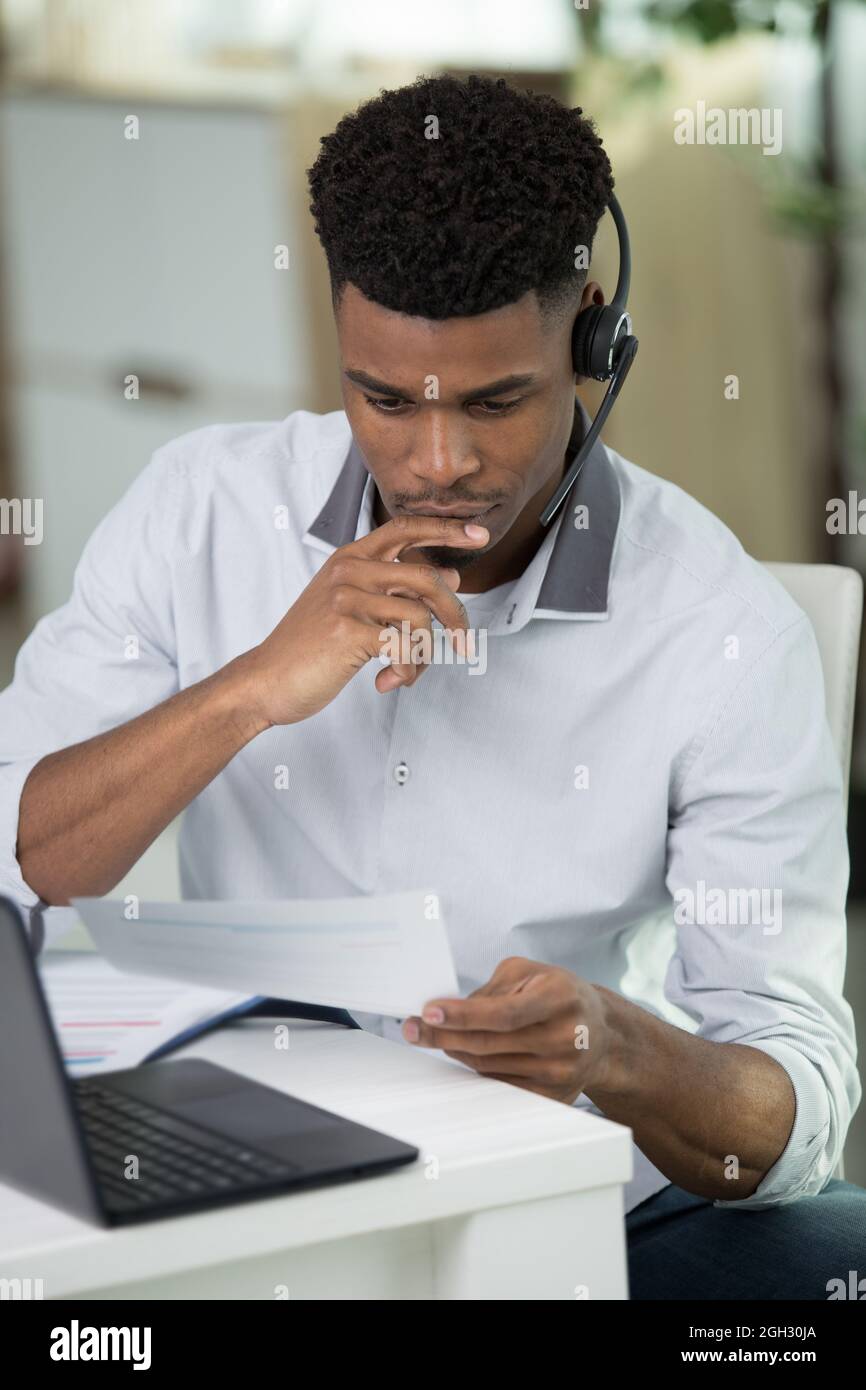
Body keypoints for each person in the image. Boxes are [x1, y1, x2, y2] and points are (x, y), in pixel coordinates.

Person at [1, 74, 863, 1299]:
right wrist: (251, 688)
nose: (437, 460)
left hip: (576, 1195)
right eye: (383, 398)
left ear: (592, 340)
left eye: (496, 400)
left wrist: (616, 1053)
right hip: (255, 1158)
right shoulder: (199, 512)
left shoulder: (720, 631)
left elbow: (791, 1116)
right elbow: (19, 850)